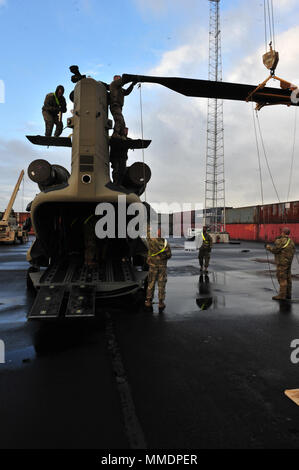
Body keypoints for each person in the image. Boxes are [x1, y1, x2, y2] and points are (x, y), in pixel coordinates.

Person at [144, 227, 172, 313]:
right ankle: (160, 303)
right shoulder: (166, 243)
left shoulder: (152, 241)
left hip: (153, 266)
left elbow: (147, 235)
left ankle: (148, 301)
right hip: (162, 267)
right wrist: (162, 258)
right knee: (161, 284)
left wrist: (149, 228)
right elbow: (169, 255)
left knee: (151, 283)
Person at [266, 227, 295, 301]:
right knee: (288, 278)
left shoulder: (281, 240)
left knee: (282, 278)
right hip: (288, 263)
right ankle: (288, 294)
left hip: (282, 263)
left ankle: (282, 295)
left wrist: (268, 247)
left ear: (283, 232)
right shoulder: (291, 242)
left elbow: (275, 250)